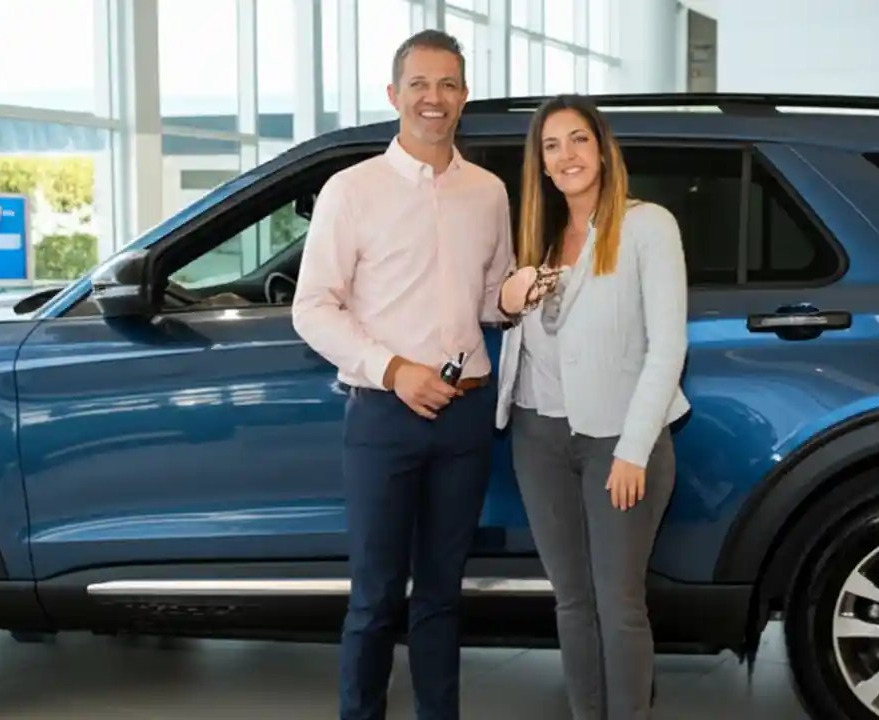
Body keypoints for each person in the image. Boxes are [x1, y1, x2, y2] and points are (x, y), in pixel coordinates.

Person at [291, 29, 514, 720]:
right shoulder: (351, 190)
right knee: (376, 595)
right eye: (419, 84)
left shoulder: (489, 192)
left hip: (467, 415)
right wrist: (393, 371)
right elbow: (312, 308)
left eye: (448, 84)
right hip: (385, 414)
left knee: (444, 594)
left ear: (464, 97)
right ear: (394, 95)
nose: (433, 98)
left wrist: (518, 298)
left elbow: (490, 302)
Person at [495, 94, 690, 720]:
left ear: (603, 150)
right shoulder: (538, 237)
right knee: (571, 602)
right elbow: (512, 324)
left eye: (579, 140)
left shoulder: (646, 226)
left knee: (617, 603)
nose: (567, 156)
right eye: (552, 146)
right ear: (541, 165)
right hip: (538, 433)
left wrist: (634, 450)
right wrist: (507, 301)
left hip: (617, 440)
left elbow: (668, 347)